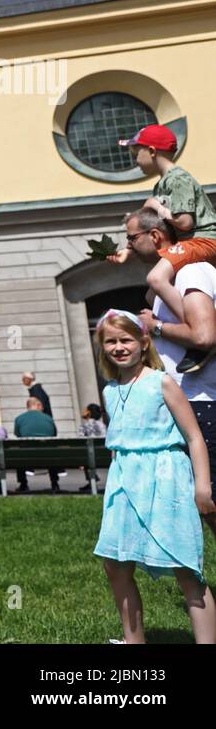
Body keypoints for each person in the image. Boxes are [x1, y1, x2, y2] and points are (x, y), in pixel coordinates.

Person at [92, 308, 215, 643]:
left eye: (126, 340)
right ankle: (135, 641)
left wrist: (202, 487)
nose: (119, 347)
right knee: (115, 563)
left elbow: (194, 437)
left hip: (166, 478)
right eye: (111, 341)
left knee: (185, 568)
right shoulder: (110, 390)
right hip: (124, 482)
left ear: (144, 342)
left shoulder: (162, 383)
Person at [130, 205, 216, 535]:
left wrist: (156, 327)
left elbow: (204, 335)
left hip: (204, 403)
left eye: (131, 238)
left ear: (155, 235)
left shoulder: (192, 271)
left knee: (210, 501)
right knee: (207, 506)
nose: (128, 246)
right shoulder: (172, 280)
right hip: (191, 403)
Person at [109, 125, 216, 372]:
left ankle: (200, 336)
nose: (135, 160)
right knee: (151, 295)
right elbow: (153, 224)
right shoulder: (162, 184)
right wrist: (128, 249)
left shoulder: (178, 179)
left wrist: (156, 206)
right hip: (189, 243)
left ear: (152, 151)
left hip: (203, 240)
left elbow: (185, 222)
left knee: (156, 278)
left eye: (136, 153)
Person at [13, 397, 60, 492]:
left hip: (27, 456)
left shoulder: (19, 419)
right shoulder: (48, 418)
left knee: (17, 453)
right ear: (38, 406)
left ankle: (23, 484)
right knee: (52, 451)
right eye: (42, 406)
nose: (43, 409)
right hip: (48, 455)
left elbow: (18, 435)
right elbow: (54, 434)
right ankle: (55, 484)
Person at [80, 403, 107, 492]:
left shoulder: (84, 426)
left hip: (90, 457)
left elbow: (80, 441)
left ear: (89, 412)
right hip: (104, 456)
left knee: (86, 453)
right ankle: (93, 479)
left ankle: (91, 481)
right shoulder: (103, 425)